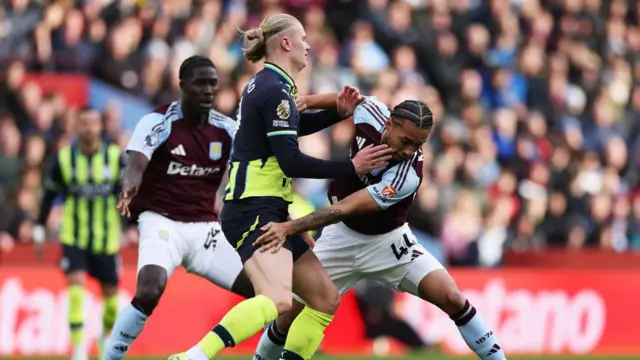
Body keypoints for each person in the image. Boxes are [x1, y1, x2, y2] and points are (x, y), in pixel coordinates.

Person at [169, 13, 391, 360]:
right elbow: (290, 161)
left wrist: (338, 112)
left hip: (267, 208)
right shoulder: (274, 90)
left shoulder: (267, 85)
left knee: (323, 299)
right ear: (285, 43)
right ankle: (194, 356)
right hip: (252, 209)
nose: (307, 45)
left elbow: (290, 129)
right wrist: (352, 166)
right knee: (276, 299)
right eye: (302, 38)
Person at [252, 99, 508, 360]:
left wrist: (291, 227)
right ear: (388, 123)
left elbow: (347, 207)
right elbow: (348, 98)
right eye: (406, 141)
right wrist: (310, 101)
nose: (410, 151)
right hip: (340, 237)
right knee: (288, 316)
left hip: (388, 243)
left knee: (452, 297)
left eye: (418, 145)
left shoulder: (408, 174)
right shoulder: (371, 111)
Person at [101, 55, 255, 360]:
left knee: (266, 293)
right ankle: (110, 358)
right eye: (201, 83)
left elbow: (253, 171)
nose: (208, 90)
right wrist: (130, 184)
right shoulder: (157, 122)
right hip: (162, 223)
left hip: (206, 232)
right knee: (148, 291)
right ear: (182, 85)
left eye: (213, 83)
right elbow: (136, 163)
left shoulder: (227, 129)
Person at [34, 107, 127, 360]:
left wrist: (132, 227)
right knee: (75, 288)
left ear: (101, 127)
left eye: (93, 123)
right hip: (73, 237)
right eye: (83, 123)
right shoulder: (63, 159)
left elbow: (128, 196)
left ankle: (104, 338)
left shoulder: (115, 157)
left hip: (106, 240)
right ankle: (78, 349)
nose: (88, 128)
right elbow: (48, 196)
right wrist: (40, 226)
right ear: (77, 126)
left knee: (111, 303)